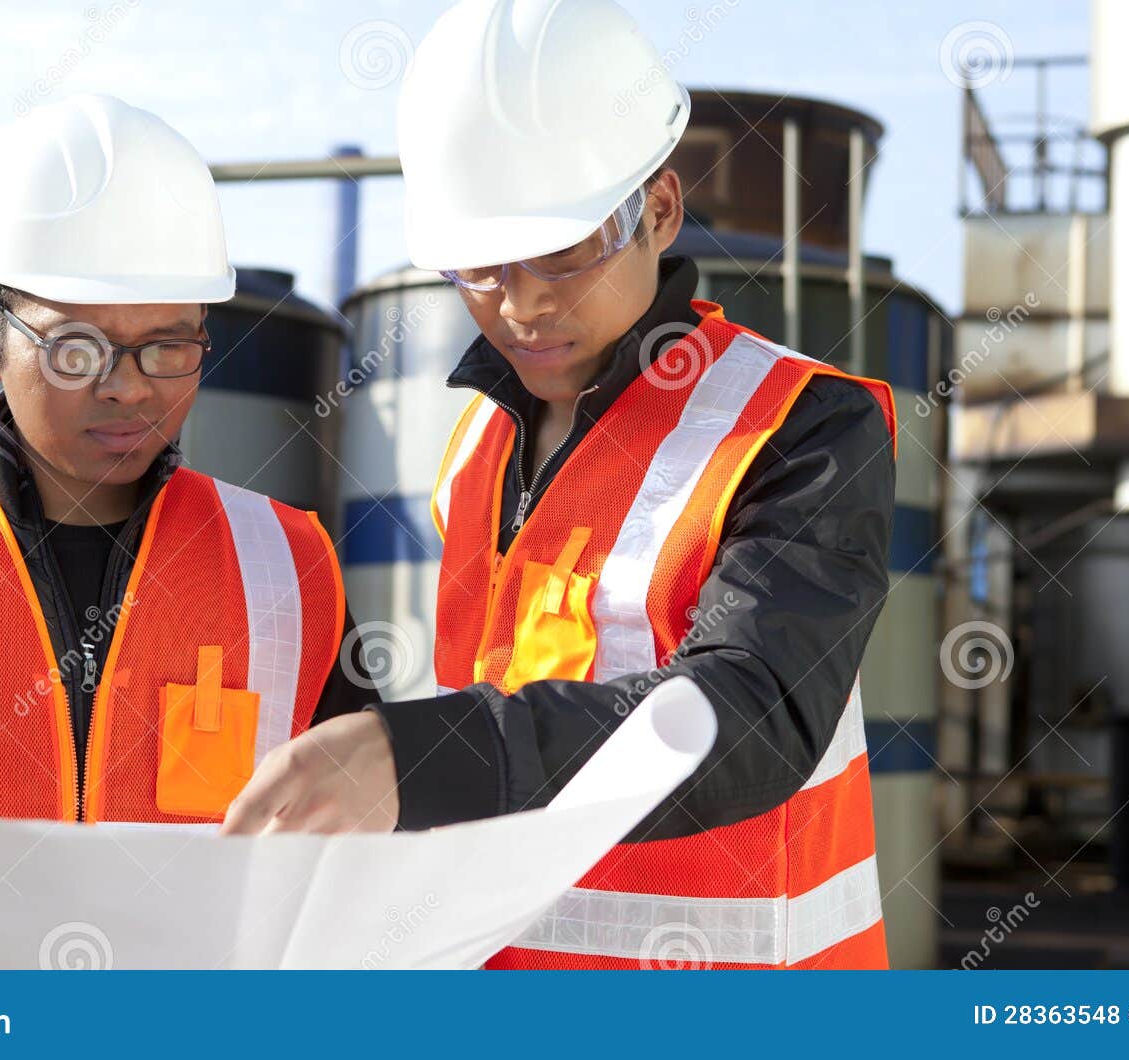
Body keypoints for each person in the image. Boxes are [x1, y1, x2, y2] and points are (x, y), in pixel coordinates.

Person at [223, 0, 896, 969]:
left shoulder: (801, 425)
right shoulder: (477, 445)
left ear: (658, 210)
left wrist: (424, 755)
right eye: (481, 268)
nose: (523, 303)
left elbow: (754, 711)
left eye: (563, 253)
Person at [0, 94, 375, 825]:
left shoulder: (288, 568)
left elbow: (352, 869)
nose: (128, 388)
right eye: (76, 348)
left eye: (167, 346)